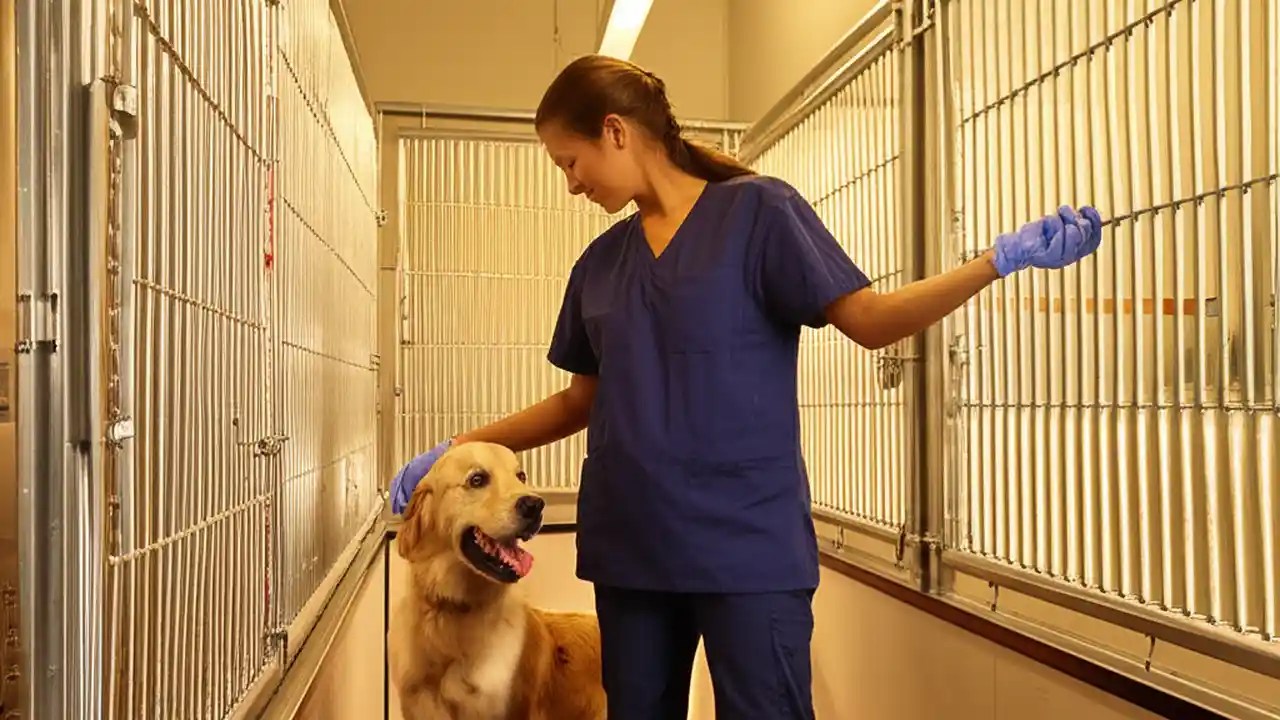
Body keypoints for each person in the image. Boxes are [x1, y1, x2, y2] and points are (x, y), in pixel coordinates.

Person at [389, 54, 1102, 719]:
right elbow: (580, 402)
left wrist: (994, 262)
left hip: (748, 547)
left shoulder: (761, 215)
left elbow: (873, 321)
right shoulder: (600, 266)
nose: (572, 183)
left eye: (569, 162)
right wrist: (456, 449)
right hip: (634, 548)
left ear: (614, 132)